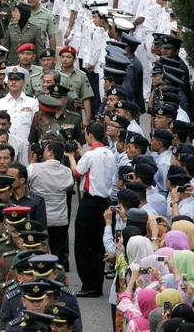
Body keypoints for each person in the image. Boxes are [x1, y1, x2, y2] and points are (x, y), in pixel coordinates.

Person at [70, 122, 117, 297]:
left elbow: (77, 172)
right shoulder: (109, 153)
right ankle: (96, 284)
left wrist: (70, 156)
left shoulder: (90, 155)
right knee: (98, 244)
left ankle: (88, 284)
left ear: (90, 135)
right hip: (105, 202)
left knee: (82, 244)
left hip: (90, 202)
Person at [28, 140, 74, 269]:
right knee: (56, 254)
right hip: (59, 220)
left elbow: (26, 180)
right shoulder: (66, 171)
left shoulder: (34, 168)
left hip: (39, 219)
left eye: (45, 149)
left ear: (50, 152)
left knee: (37, 251)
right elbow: (69, 186)